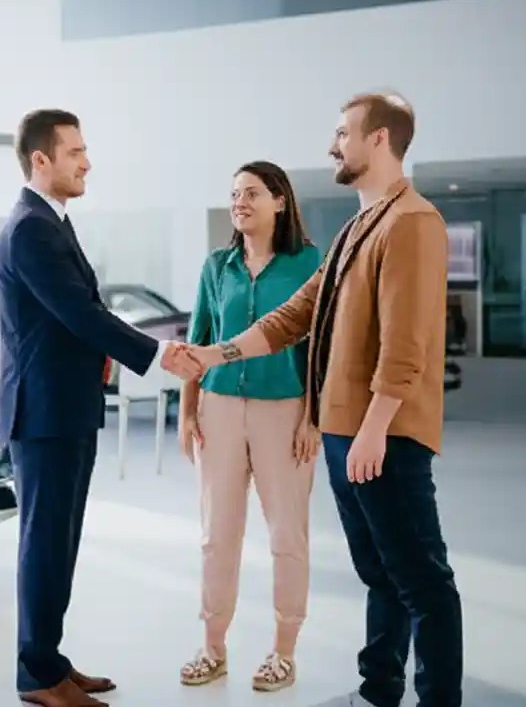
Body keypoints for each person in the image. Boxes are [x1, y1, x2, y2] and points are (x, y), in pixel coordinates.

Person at [188, 92, 463, 707]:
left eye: (343, 132)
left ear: (379, 141)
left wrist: (374, 428)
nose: (332, 144)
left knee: (421, 578)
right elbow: (294, 316)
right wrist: (214, 355)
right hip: (345, 432)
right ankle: (378, 690)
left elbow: (406, 342)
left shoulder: (412, 222)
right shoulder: (358, 226)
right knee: (379, 575)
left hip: (381, 437)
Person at [0, 108, 201, 707]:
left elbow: (73, 319)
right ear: (41, 159)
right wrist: (161, 354)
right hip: (45, 414)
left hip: (65, 407)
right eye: (76, 151)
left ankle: (50, 661)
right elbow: (80, 314)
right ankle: (37, 674)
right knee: (44, 542)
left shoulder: (51, 221)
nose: (87, 162)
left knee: (60, 541)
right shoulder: (31, 227)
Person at [177, 160, 322, 693]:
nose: (240, 201)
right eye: (235, 193)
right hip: (218, 409)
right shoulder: (217, 266)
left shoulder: (309, 262)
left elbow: (318, 350)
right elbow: (198, 339)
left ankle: (284, 651)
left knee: (287, 534)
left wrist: (314, 417)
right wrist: (187, 411)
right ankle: (212, 647)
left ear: (280, 201)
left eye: (252, 192)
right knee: (218, 535)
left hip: (285, 411)